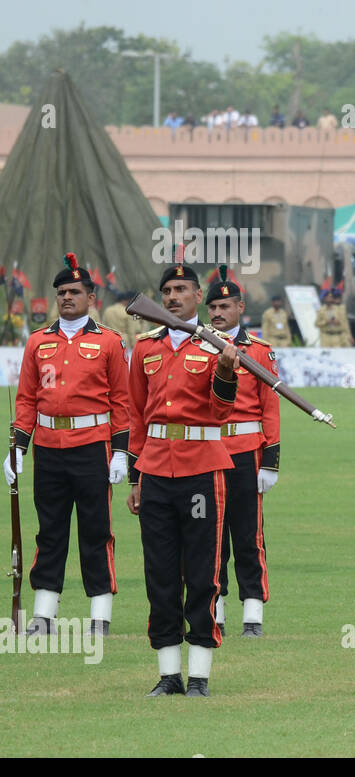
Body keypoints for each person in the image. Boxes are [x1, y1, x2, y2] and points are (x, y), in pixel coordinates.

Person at [126, 263, 240, 697]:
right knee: (159, 574)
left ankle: (200, 675)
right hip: (155, 469)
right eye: (167, 290)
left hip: (200, 469)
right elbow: (137, 415)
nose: (173, 297)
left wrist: (227, 372)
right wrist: (134, 475)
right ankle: (169, 674)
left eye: (181, 290)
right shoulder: (145, 347)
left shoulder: (218, 347)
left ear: (198, 297)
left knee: (202, 571)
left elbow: (221, 411)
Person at [7, 253, 129, 636]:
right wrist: (18, 448)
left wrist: (122, 452)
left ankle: (99, 615)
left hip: (92, 446)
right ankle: (44, 614)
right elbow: (26, 399)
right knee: (50, 530)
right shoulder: (37, 342)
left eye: (75, 291)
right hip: (48, 447)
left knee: (96, 530)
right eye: (61, 292)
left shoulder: (109, 342)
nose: (66, 297)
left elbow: (121, 401)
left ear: (91, 297)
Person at [205, 269, 280, 638]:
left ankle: (253, 613)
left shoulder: (260, 352)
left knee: (249, 536)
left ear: (240, 307)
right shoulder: (198, 348)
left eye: (225, 306)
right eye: (213, 306)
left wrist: (271, 460)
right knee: (210, 537)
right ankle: (215, 611)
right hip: (207, 451)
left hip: (247, 452)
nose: (218, 312)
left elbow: (270, 407)